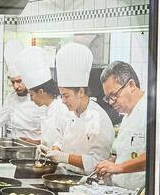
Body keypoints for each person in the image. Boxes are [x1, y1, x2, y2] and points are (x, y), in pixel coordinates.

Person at [95, 60, 160, 195]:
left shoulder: (157, 109)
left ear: (131, 85)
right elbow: (129, 153)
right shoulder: (127, 116)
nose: (111, 102)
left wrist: (118, 168)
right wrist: (110, 165)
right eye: (108, 98)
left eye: (114, 95)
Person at [41, 42, 113, 173]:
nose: (63, 101)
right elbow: (62, 139)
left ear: (80, 92)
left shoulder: (95, 117)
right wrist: (54, 150)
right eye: (61, 96)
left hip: (87, 181)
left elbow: (98, 161)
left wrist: (64, 157)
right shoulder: (69, 113)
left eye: (66, 96)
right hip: (66, 174)